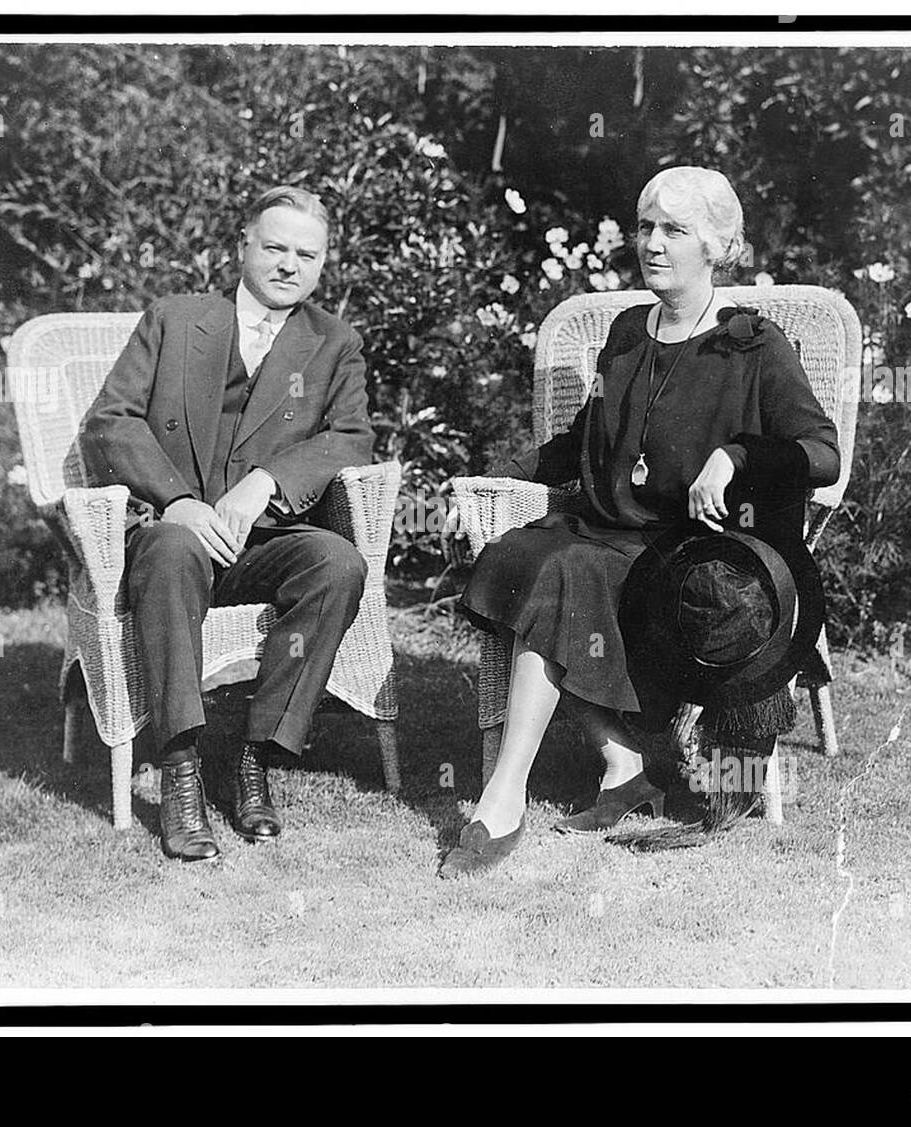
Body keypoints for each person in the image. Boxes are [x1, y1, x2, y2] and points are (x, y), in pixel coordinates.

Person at [441, 166, 840, 878]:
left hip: (683, 558)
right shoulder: (627, 332)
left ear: (718, 246)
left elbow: (821, 451)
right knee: (515, 557)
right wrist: (491, 476)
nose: (651, 243)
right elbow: (582, 443)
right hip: (605, 529)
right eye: (645, 225)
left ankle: (503, 797)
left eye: (674, 230)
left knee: (557, 571)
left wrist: (737, 456)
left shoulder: (752, 345)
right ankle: (621, 761)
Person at [81, 185, 374, 861]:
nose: (288, 265)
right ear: (242, 245)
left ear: (324, 262)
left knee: (338, 563)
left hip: (260, 539)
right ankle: (181, 767)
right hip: (172, 533)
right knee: (174, 545)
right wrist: (180, 499)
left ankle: (255, 757)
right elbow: (110, 420)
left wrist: (267, 483)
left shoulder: (333, 343)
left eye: (307, 254)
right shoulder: (176, 319)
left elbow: (350, 438)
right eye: (275, 247)